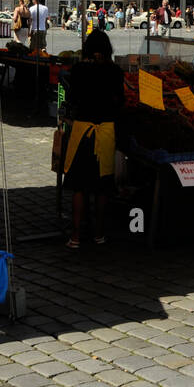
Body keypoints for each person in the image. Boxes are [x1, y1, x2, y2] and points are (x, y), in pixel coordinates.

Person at [61, 30, 124, 249]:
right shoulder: (115, 71)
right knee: (102, 186)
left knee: (79, 185)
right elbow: (119, 101)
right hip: (105, 132)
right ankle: (99, 233)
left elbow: (71, 98)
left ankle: (76, 236)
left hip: (82, 131)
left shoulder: (79, 70)